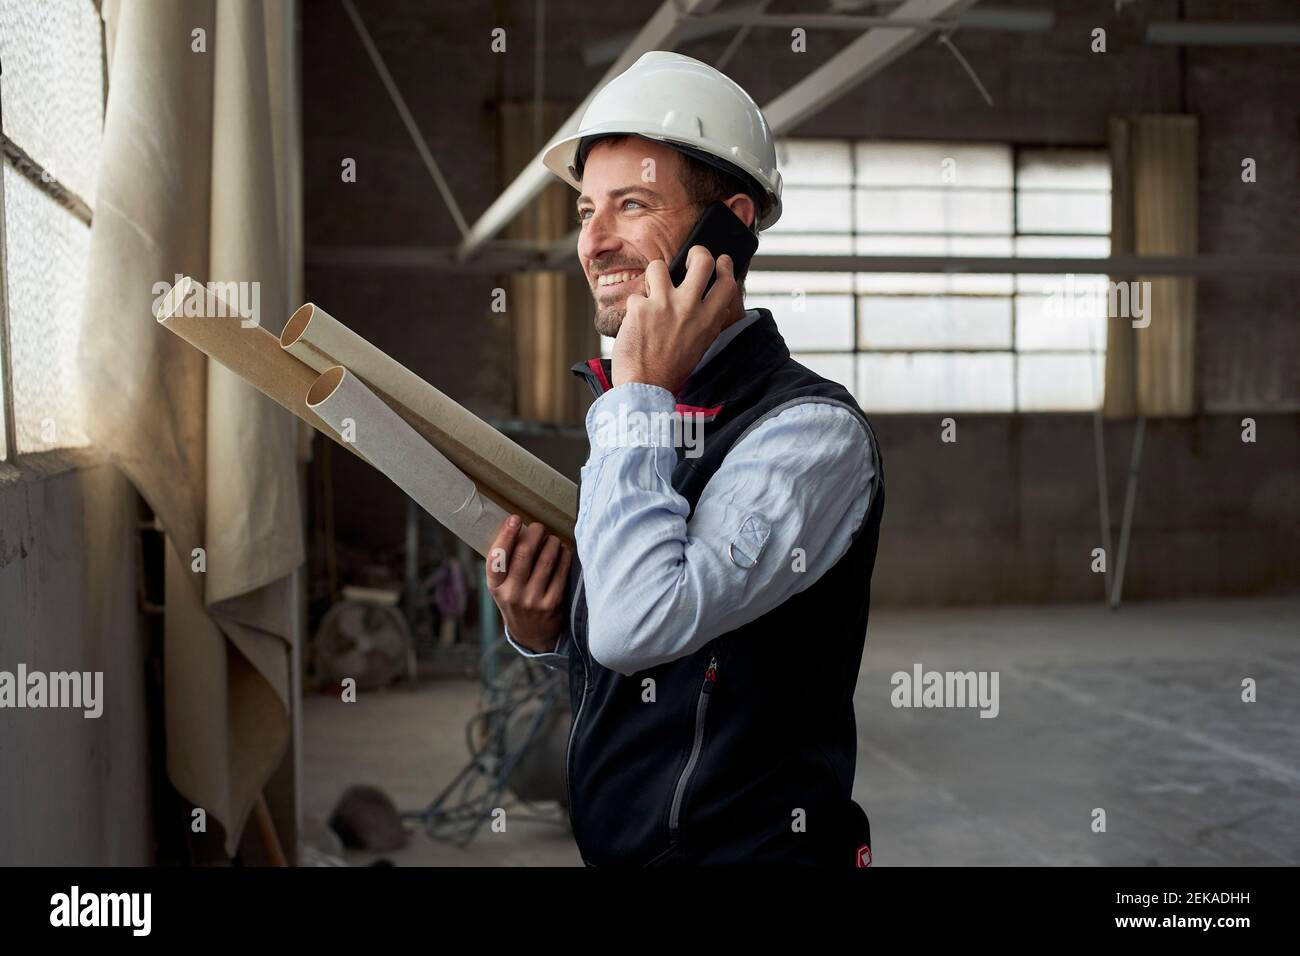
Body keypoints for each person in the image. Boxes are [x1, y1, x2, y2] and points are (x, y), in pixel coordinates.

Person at [486, 51, 884, 867]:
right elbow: (676, 647)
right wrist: (548, 628)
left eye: (630, 206)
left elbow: (640, 625)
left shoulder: (809, 433)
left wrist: (637, 392)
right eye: (586, 209)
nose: (593, 243)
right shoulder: (643, 407)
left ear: (726, 226)